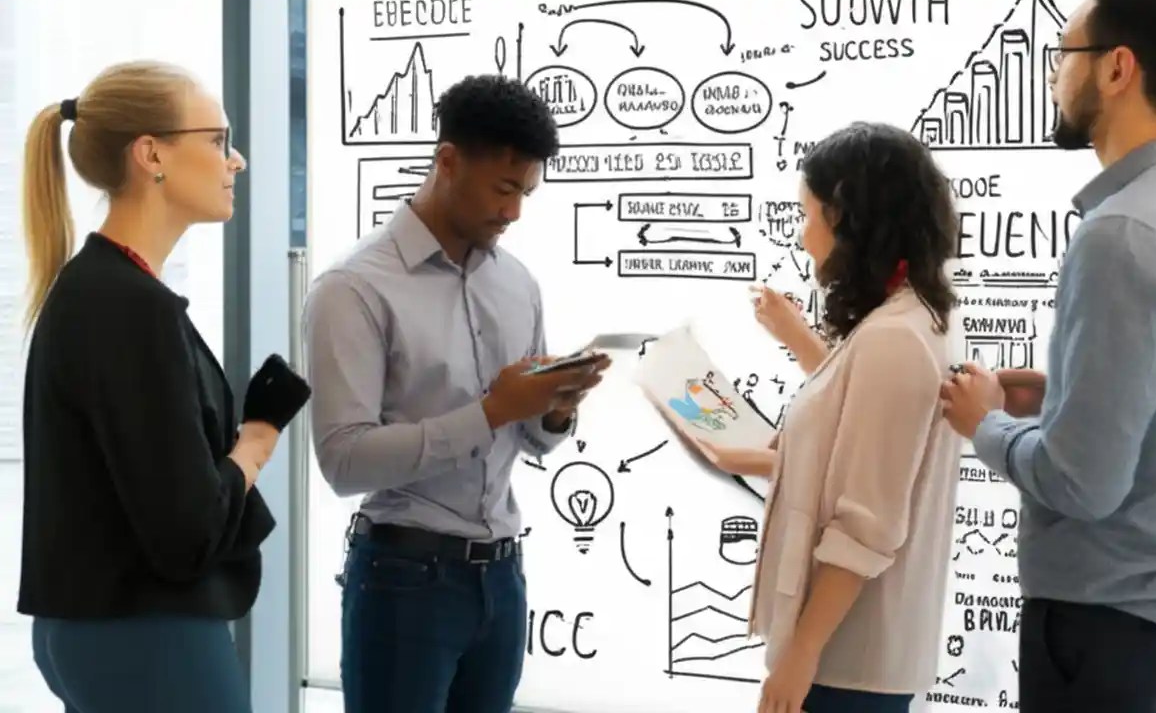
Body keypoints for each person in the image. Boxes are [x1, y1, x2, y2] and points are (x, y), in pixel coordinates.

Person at [939, 0, 1156, 711]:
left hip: (1107, 629)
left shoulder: (1124, 234)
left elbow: (1082, 484)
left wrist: (985, 423)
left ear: (1118, 68)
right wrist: (1064, 398)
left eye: (1064, 55)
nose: (1053, 75)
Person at [304, 74, 609, 713]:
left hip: (502, 574)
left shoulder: (518, 283)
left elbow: (531, 441)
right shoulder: (353, 288)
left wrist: (553, 411)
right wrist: (492, 410)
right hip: (403, 581)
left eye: (526, 192)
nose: (514, 211)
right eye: (504, 188)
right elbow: (343, 462)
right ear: (447, 161)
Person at [17, 61, 312, 713]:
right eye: (216, 140)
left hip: (109, 633)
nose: (236, 161)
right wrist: (257, 437)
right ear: (151, 153)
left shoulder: (98, 290)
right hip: (148, 637)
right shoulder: (129, 306)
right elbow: (187, 534)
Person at [675, 121, 965, 713]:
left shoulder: (896, 339)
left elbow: (868, 523)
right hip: (855, 653)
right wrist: (795, 341)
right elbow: (858, 419)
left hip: (847, 658)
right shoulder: (915, 318)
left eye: (809, 216)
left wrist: (800, 653)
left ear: (849, 220)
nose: (804, 238)